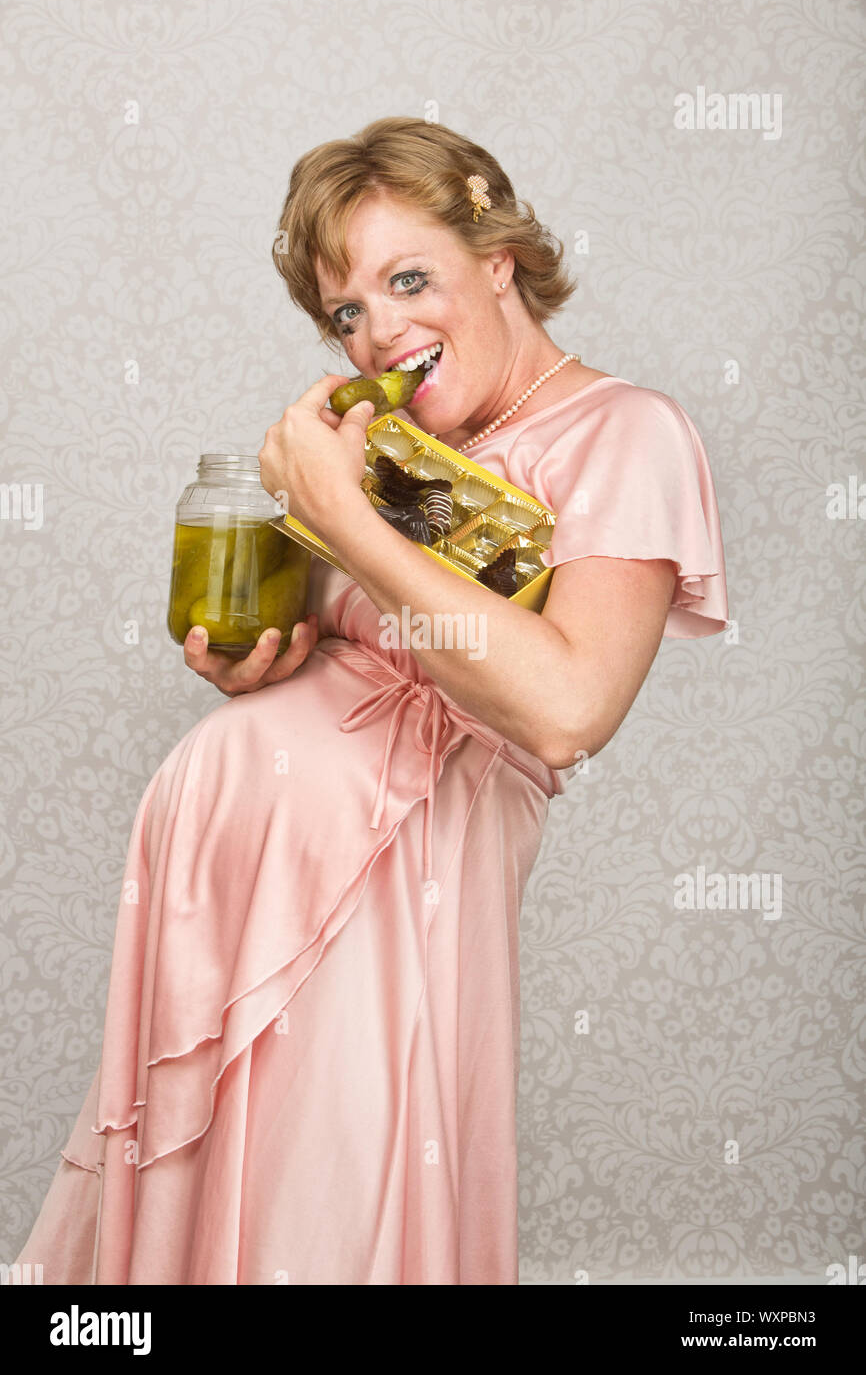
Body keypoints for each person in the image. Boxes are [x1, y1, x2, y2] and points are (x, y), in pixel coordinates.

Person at [13, 116, 728, 1285]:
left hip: (399, 883)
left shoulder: (623, 433)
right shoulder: (379, 441)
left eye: (408, 279)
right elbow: (321, 644)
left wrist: (341, 515)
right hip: (230, 880)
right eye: (347, 311)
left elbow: (563, 706)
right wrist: (254, 656)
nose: (379, 330)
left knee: (338, 1208)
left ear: (496, 256)